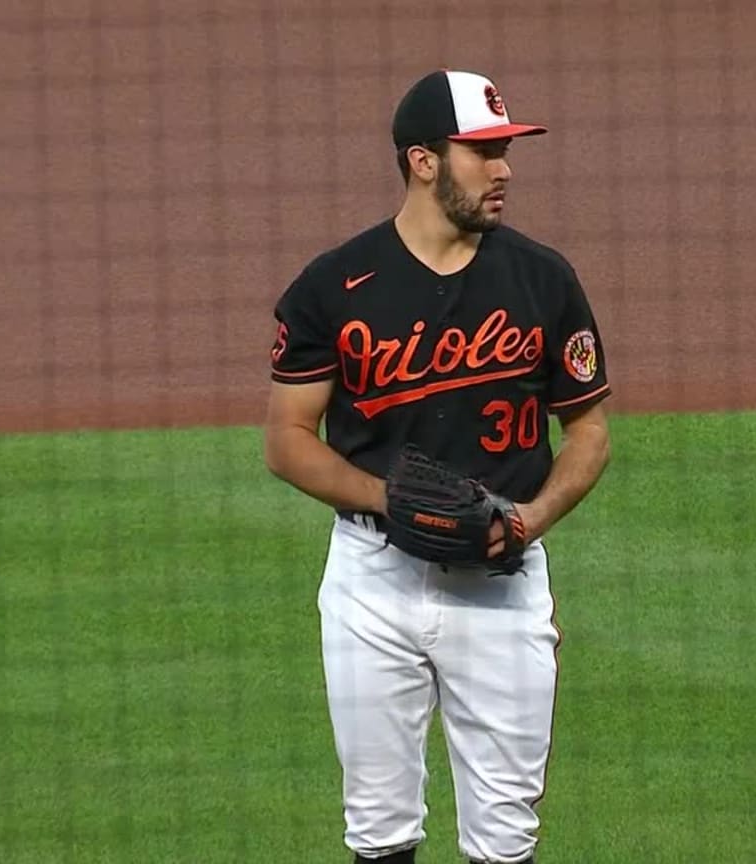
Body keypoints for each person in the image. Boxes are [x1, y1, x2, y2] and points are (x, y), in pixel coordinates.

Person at [262, 68, 613, 864]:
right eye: (483, 151)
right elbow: (286, 437)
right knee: (379, 833)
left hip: (503, 581)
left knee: (505, 840)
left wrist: (533, 517)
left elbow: (589, 430)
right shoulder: (335, 286)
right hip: (371, 583)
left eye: (505, 150)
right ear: (423, 161)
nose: (505, 169)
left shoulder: (542, 279)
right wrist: (390, 501)